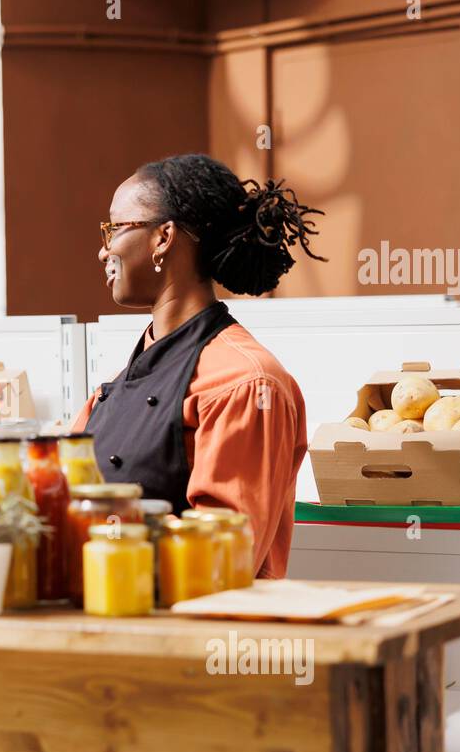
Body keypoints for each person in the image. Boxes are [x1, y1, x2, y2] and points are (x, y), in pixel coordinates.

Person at [70, 153, 325, 579]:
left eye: (114, 229)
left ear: (163, 237)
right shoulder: (109, 391)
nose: (103, 251)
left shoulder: (246, 383)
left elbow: (219, 561)